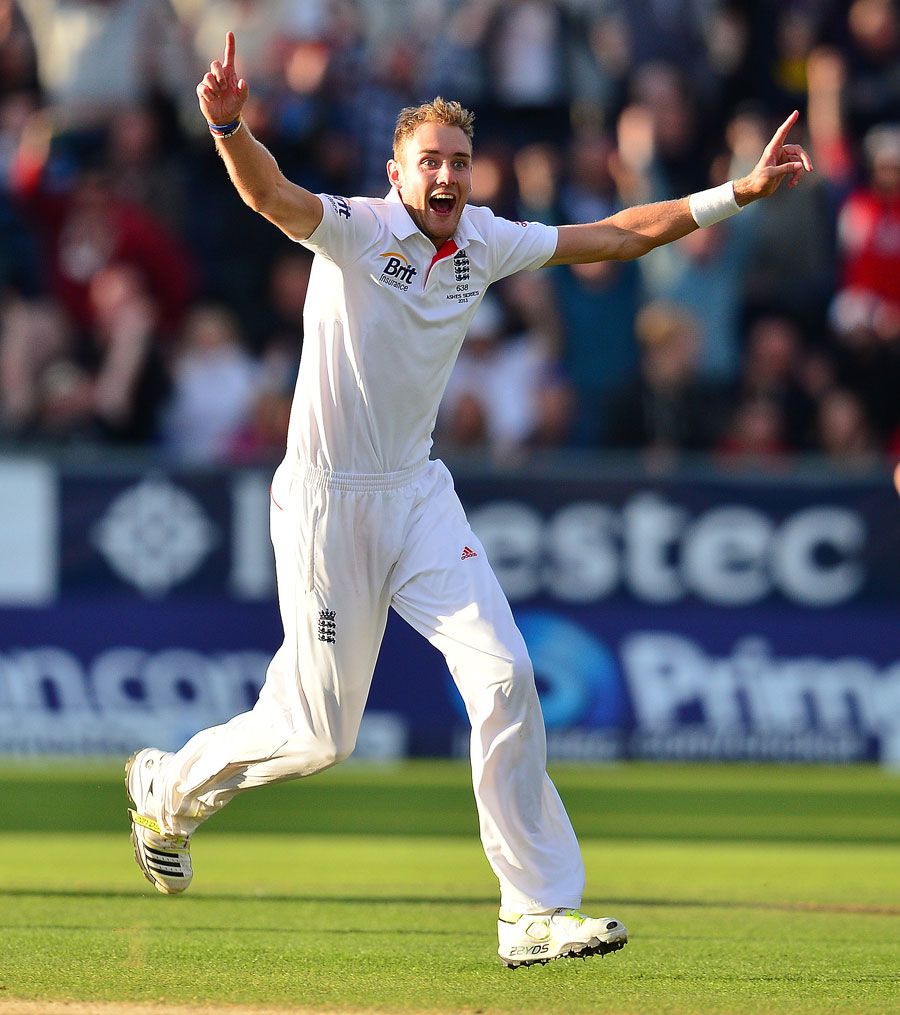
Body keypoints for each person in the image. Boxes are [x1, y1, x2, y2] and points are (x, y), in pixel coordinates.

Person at [125, 32, 812, 968]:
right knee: (317, 735)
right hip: (329, 501)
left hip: (418, 493)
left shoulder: (483, 239)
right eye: (429, 161)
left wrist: (735, 192)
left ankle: (531, 910)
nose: (445, 175)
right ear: (396, 170)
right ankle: (169, 789)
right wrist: (227, 123)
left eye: (458, 161)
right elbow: (270, 195)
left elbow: (617, 233)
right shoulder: (358, 227)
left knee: (506, 677)